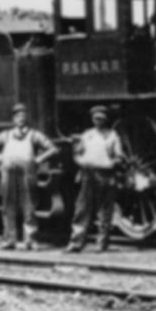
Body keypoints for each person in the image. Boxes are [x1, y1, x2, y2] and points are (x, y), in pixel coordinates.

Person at [0, 103, 57, 248]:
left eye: (23, 117)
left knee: (29, 205)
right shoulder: (5, 135)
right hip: (8, 172)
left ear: (27, 119)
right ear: (13, 119)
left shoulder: (34, 134)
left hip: (27, 173)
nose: (21, 119)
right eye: (18, 117)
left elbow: (52, 149)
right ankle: (9, 240)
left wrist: (38, 160)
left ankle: (30, 240)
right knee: (8, 206)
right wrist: (1, 159)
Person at [68, 104, 124, 252]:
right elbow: (77, 153)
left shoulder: (113, 136)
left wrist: (111, 163)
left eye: (101, 119)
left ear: (105, 120)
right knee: (82, 209)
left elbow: (119, 156)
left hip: (105, 174)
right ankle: (76, 242)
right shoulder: (87, 135)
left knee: (105, 211)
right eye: (95, 118)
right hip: (88, 173)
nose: (98, 121)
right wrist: (81, 162)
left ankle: (102, 243)